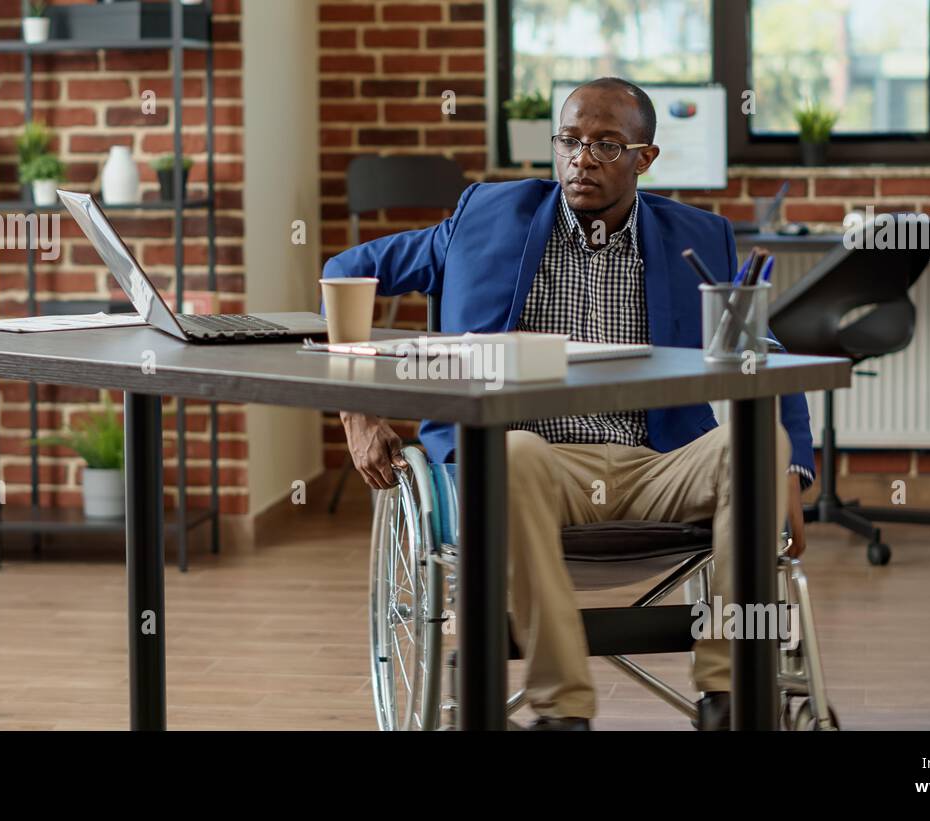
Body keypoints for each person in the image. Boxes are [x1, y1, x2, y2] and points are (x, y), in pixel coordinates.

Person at [324, 78, 814, 731]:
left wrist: (791, 471)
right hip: (530, 464)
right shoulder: (485, 218)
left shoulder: (696, 237)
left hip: (653, 464)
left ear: (646, 157)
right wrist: (357, 410)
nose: (582, 159)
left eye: (607, 145)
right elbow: (346, 268)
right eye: (570, 141)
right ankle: (563, 710)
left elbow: (766, 350)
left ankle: (727, 698)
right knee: (515, 451)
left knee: (752, 447)